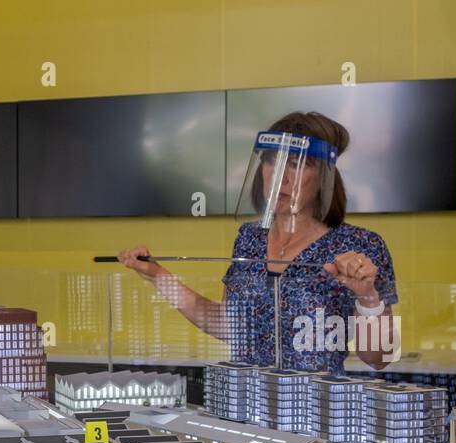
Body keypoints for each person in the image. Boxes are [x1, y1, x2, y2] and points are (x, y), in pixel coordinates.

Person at [118, 111, 397, 372]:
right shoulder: (249, 239)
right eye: (271, 161)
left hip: (316, 412)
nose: (281, 177)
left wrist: (368, 297)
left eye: (297, 165)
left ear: (324, 177)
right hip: (245, 407)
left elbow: (379, 359)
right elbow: (228, 325)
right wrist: (157, 276)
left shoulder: (359, 245)